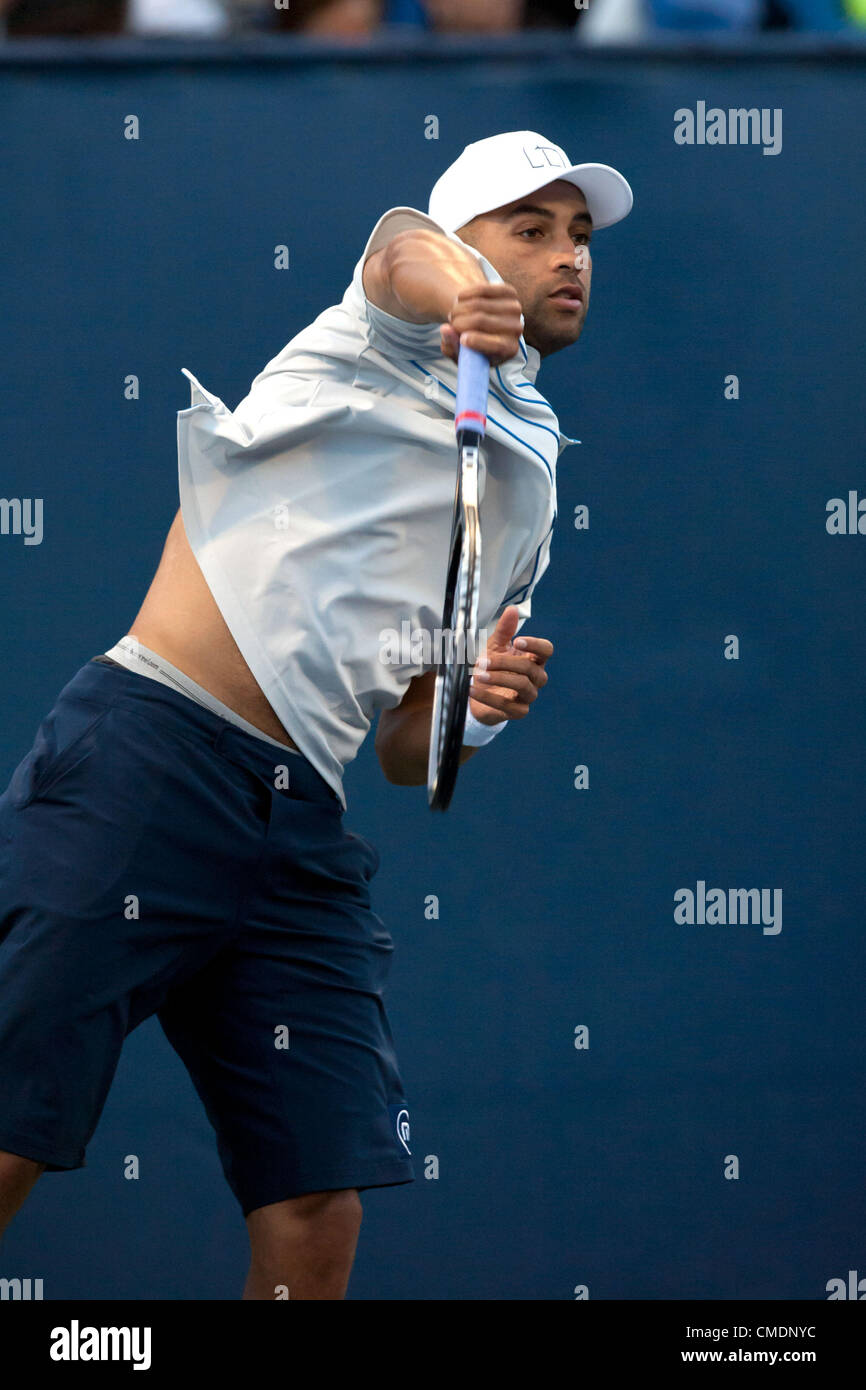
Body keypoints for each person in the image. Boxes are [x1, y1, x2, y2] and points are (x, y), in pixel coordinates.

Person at [0, 130, 632, 1299]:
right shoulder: (381, 330)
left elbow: (407, 744)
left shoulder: (531, 469)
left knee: (312, 1203)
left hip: (300, 826)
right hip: (149, 755)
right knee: (11, 1132)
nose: (564, 259)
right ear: (465, 245)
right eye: (527, 231)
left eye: (578, 237)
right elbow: (403, 256)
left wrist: (474, 705)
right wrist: (464, 296)